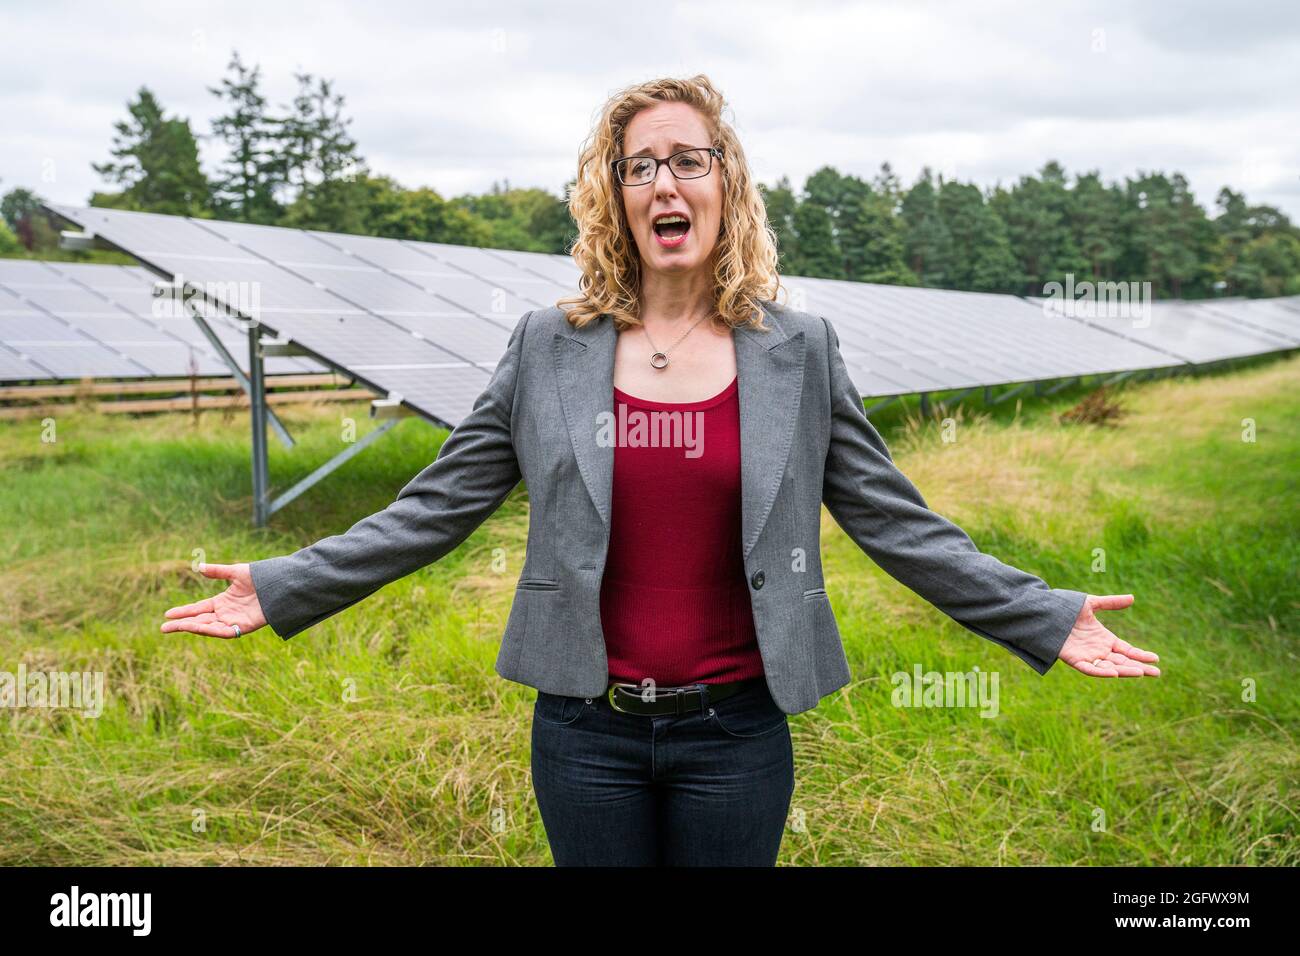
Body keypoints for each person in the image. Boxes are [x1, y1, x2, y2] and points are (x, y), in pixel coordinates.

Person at [161, 74, 1160, 867]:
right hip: (583, 735)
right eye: (640, 167)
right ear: (615, 196)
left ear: (726, 184)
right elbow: (436, 504)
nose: (665, 185)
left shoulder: (798, 350)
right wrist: (288, 582)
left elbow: (895, 521)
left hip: (735, 734)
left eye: (688, 161)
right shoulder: (543, 346)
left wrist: (1037, 608)